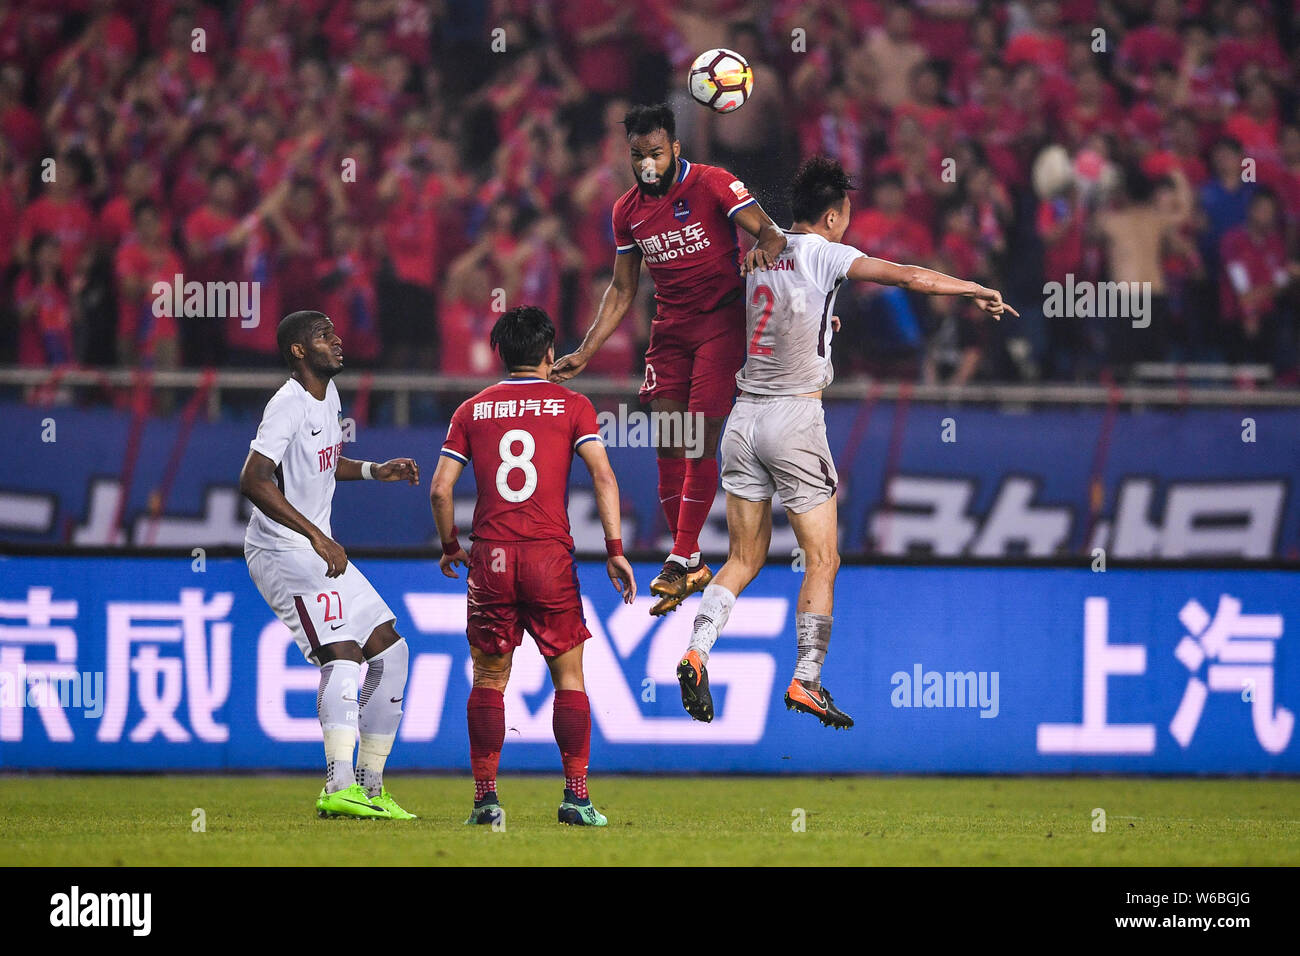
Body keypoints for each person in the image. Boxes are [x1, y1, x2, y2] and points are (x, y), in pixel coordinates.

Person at [676, 157, 1016, 728]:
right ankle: (806, 680)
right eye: (847, 218)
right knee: (823, 558)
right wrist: (974, 288)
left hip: (743, 420)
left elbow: (778, 314)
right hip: (794, 420)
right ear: (832, 217)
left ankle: (696, 651)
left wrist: (822, 326)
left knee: (741, 558)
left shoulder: (759, 253)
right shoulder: (825, 252)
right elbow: (908, 276)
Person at [551, 102, 787, 617]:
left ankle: (679, 557)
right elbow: (621, 289)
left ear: (675, 148)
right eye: (638, 156)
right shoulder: (626, 211)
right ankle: (694, 559)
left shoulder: (713, 183)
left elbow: (771, 233)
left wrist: (761, 250)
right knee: (670, 442)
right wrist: (585, 351)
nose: (648, 165)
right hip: (670, 331)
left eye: (656, 153)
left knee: (700, 433)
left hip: (721, 323)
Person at [430, 305, 636, 827]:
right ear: (549, 353)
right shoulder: (574, 406)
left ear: (502, 353)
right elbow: (604, 478)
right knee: (568, 678)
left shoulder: (471, 409)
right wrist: (614, 549)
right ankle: (575, 797)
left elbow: (440, 488)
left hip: (491, 558)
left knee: (489, 677)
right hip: (547, 556)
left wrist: (452, 544)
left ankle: (485, 801)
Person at [240, 310, 421, 820]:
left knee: (391, 650)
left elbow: (321, 460)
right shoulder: (287, 404)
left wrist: (372, 469)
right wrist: (318, 535)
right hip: (281, 549)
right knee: (342, 657)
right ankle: (337, 786)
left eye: (336, 332)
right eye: (324, 336)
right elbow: (254, 479)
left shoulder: (330, 396)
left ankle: (369, 786)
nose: (338, 341)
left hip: (315, 547)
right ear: (298, 351)